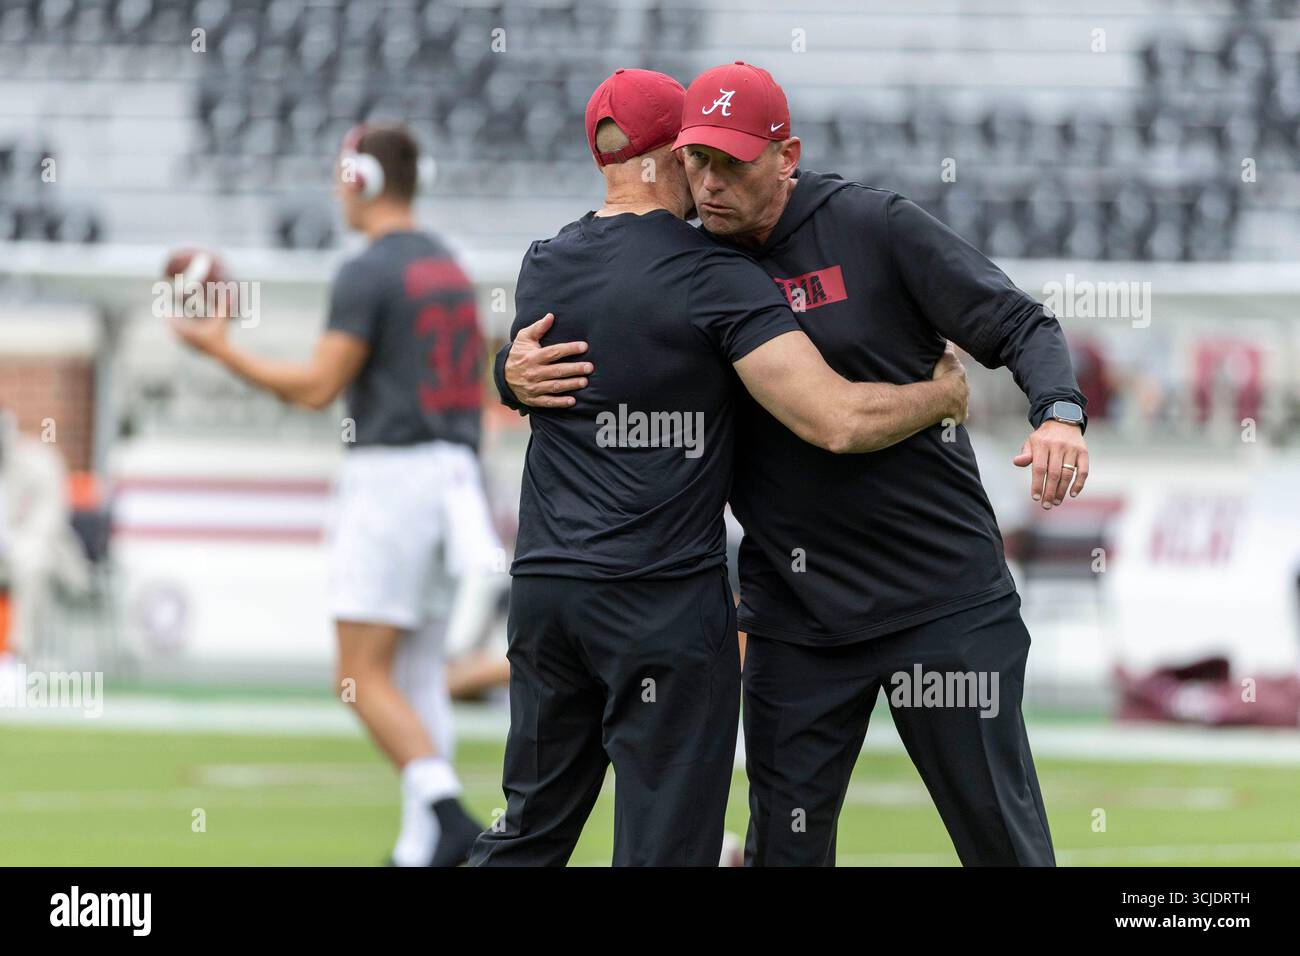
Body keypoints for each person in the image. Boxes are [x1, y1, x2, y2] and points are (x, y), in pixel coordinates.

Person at [503, 61, 1090, 866]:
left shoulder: (874, 226)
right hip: (795, 619)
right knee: (785, 854)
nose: (710, 184)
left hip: (941, 600)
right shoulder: (684, 262)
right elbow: (595, 354)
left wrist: (1058, 413)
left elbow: (1020, 322)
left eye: (732, 163)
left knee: (1004, 846)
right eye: (697, 160)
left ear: (786, 154)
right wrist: (511, 378)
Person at [172, 123, 495, 867]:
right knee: (415, 673)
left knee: (356, 676)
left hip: (394, 478)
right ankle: (420, 850)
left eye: (339, 175)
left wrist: (220, 349)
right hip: (454, 477)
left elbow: (318, 386)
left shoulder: (368, 270)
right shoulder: (449, 263)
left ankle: (446, 817)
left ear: (362, 180)